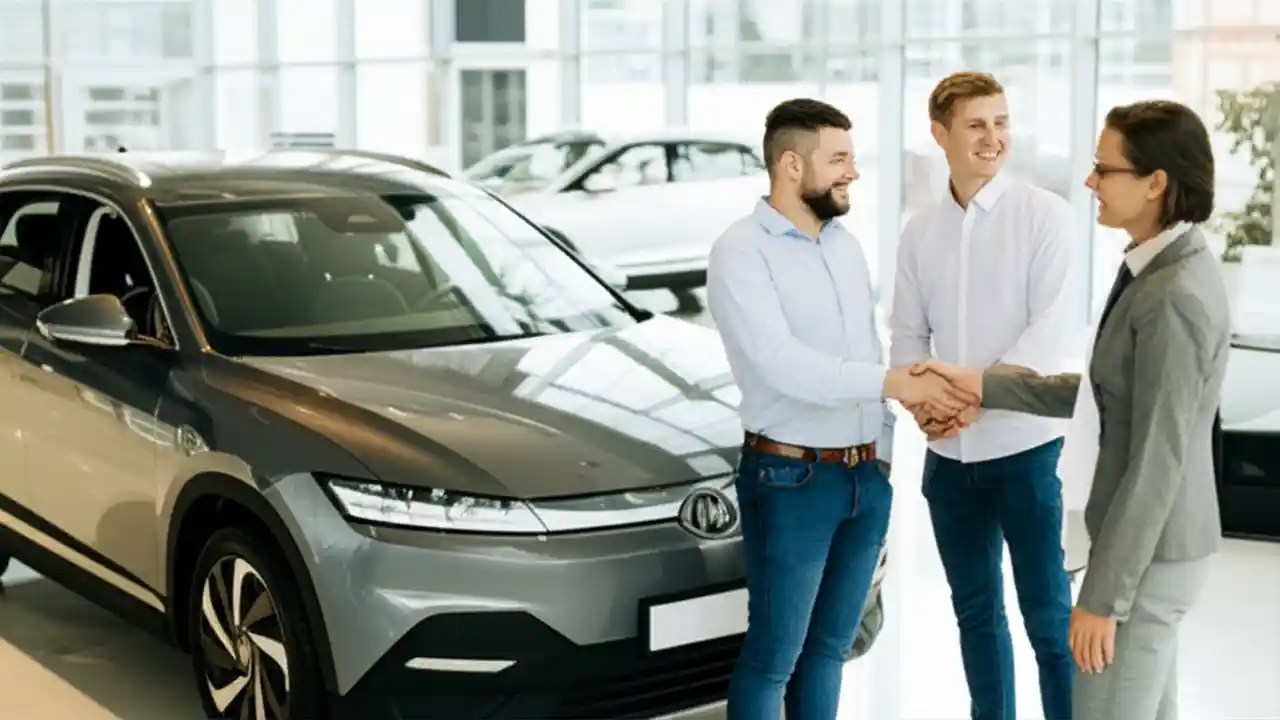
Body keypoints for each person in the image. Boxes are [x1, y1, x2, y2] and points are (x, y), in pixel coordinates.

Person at [914, 99, 1228, 720]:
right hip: (1153, 553)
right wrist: (980, 385)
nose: (1090, 183)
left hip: (1149, 560)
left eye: (1104, 169)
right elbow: (1102, 392)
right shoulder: (1156, 267)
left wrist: (1102, 601)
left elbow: (1156, 462)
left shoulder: (1173, 296)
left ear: (1155, 183)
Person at [706, 98, 975, 720]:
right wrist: (896, 383)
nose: (853, 172)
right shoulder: (741, 251)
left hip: (862, 480)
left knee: (830, 649)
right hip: (791, 479)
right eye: (839, 159)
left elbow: (864, 354)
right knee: (775, 655)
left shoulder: (844, 247)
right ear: (792, 165)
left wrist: (880, 458)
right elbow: (779, 363)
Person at [888, 71, 1078, 720]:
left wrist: (969, 399)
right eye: (976, 125)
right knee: (975, 616)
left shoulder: (1045, 215)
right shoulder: (920, 233)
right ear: (940, 135)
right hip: (949, 463)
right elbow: (906, 339)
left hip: (1026, 454)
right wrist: (925, 405)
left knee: (1050, 620)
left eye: (1000, 122)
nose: (993, 137)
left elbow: (1050, 334)